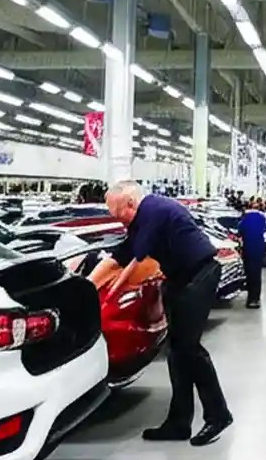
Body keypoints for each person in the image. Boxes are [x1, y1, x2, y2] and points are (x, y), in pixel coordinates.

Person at [90, 180, 233, 444]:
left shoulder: (153, 211)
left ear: (130, 203)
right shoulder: (140, 220)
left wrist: (111, 293)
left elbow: (137, 260)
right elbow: (119, 255)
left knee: (189, 349)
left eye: (117, 213)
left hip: (199, 276)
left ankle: (218, 414)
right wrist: (88, 286)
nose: (117, 219)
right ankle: (179, 423)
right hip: (180, 280)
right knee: (177, 354)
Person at [238, 200, 266, 309]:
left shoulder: (244, 219)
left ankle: (250, 298)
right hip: (259, 248)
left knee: (249, 273)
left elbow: (240, 231)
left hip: (248, 248)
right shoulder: (262, 218)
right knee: (257, 273)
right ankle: (256, 299)